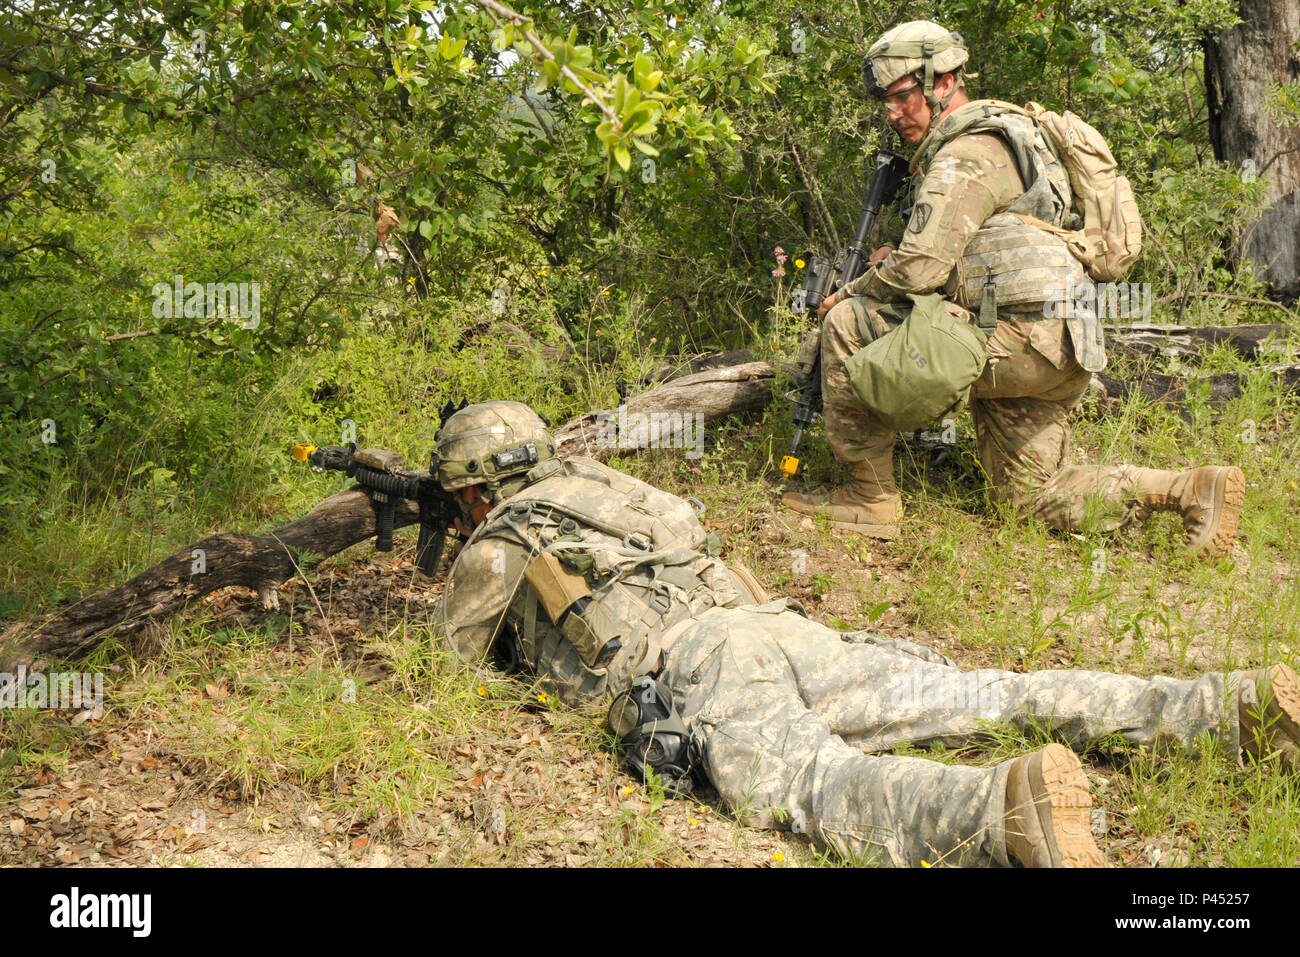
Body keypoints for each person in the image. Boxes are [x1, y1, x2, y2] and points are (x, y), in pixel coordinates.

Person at [434, 400, 1299, 867]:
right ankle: (1225, 706)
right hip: (777, 627)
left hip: (700, 666)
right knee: (986, 689)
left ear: (473, 492)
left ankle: (995, 811)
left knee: (818, 781)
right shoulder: (612, 486)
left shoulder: (498, 541)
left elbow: (445, 669)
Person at [782, 20, 1245, 557]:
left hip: (1016, 339)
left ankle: (871, 498)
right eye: (884, 100)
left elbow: (922, 270)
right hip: (1063, 348)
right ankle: (1187, 488)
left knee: (847, 322)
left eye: (903, 95)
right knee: (1026, 498)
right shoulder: (1022, 145)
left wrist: (852, 290)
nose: (892, 112)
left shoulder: (965, 155)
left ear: (945, 80)